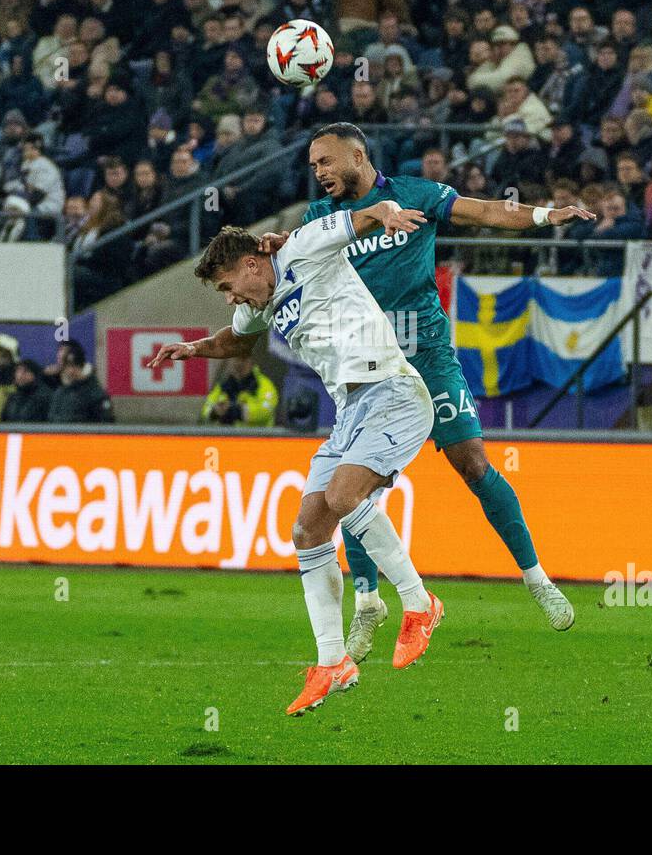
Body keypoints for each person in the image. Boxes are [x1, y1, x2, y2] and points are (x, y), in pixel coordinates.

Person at [261, 122, 591, 652]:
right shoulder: (321, 219)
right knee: (353, 487)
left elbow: (485, 211)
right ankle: (368, 603)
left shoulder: (415, 194)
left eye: (325, 161)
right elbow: (290, 269)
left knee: (474, 463)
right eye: (314, 165)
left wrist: (545, 215)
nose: (318, 173)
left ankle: (537, 580)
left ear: (357, 155)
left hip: (427, 356)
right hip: (367, 369)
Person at [149, 202, 444, 716]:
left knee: (344, 496)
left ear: (251, 263)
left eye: (227, 285)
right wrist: (192, 349)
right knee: (308, 530)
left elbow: (371, 212)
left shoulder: (304, 245)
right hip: (351, 409)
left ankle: (420, 603)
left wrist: (392, 215)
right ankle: (332, 663)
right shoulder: (258, 303)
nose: (230, 296)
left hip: (393, 391)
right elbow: (235, 338)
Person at [201, 357, 279, 427]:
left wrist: (239, 411)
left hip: (258, 439)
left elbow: (266, 410)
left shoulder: (264, 384)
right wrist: (215, 411)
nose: (239, 364)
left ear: (251, 361)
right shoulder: (224, 385)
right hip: (229, 439)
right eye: (235, 359)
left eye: (243, 359)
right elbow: (206, 408)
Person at [47, 340, 113, 423]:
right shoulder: (61, 392)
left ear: (81, 366)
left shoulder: (96, 393)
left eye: (74, 365)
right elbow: (51, 417)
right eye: (67, 366)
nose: (71, 370)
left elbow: (106, 422)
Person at [1, 358, 54, 423]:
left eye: (26, 371)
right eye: (18, 371)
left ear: (35, 375)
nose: (20, 375)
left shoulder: (45, 396)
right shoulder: (12, 397)